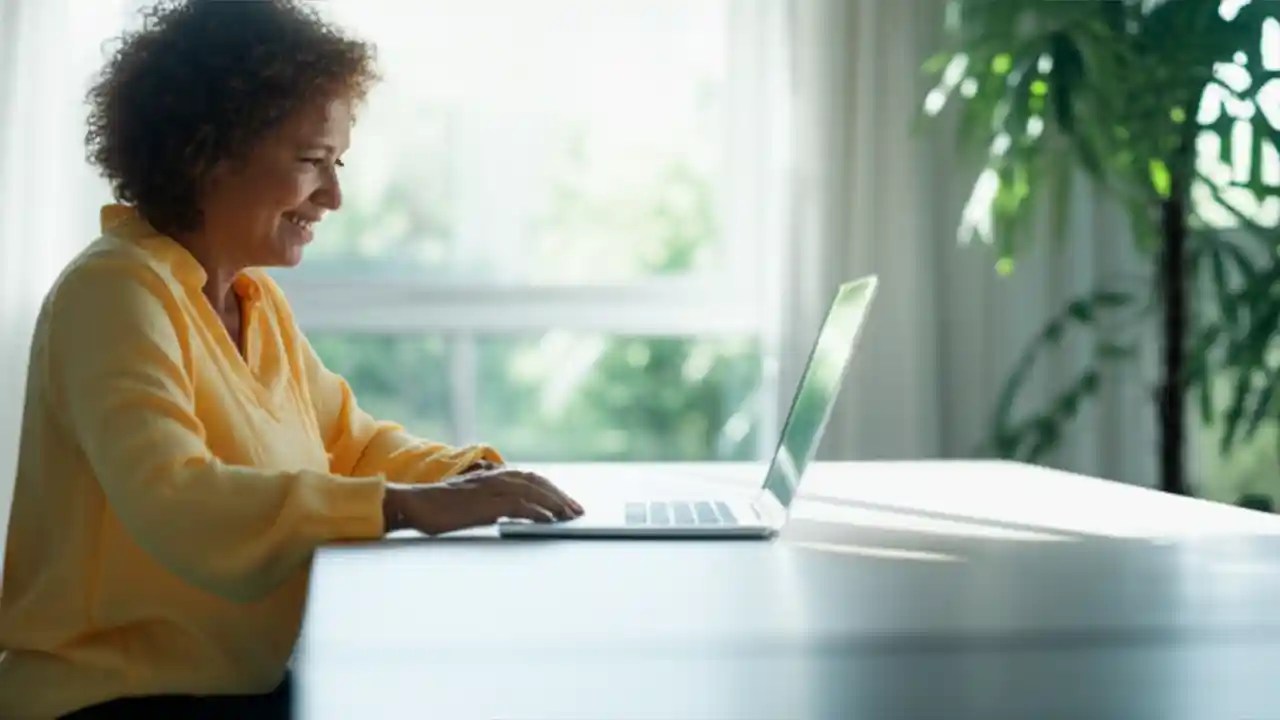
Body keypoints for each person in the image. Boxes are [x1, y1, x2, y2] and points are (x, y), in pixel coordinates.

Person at [0, 1, 583, 717]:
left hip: (240, 688)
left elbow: (351, 443)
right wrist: (407, 507)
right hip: (111, 699)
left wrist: (475, 477)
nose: (334, 196)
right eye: (312, 162)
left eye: (336, 164)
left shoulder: (252, 301)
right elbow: (176, 500)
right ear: (206, 149)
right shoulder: (115, 292)